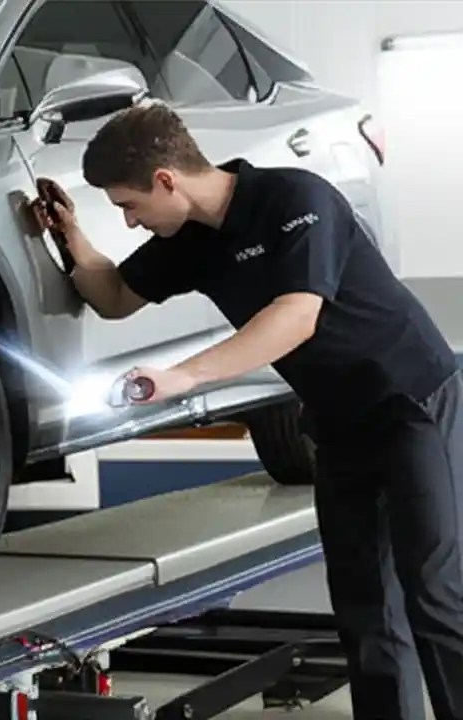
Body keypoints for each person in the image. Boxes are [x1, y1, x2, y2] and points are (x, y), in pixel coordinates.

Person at [32, 102, 463, 720]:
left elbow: (296, 315)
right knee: (365, 609)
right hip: (338, 426)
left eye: (129, 205)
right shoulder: (185, 241)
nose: (129, 223)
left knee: (435, 594)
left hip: (411, 401)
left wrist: (180, 377)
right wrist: (70, 235)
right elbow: (114, 296)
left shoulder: (293, 197)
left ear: (166, 181)